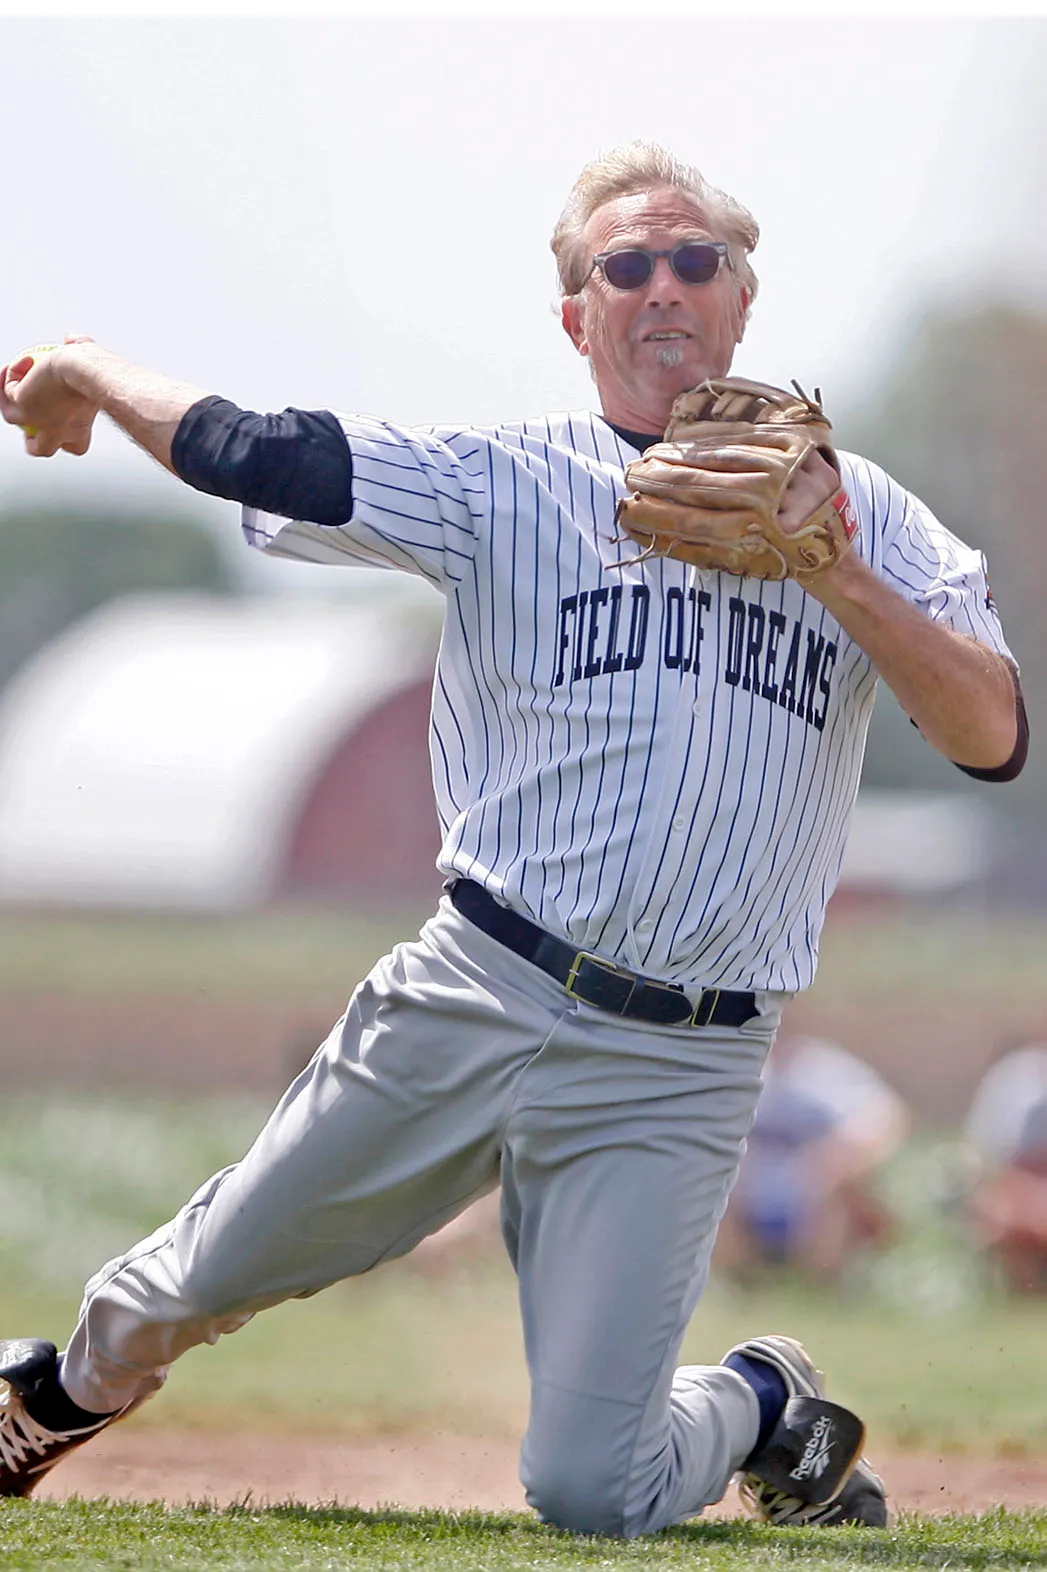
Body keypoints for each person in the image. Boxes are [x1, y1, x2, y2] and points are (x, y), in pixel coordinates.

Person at [0, 142, 1026, 1534]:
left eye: (692, 261)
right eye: (624, 264)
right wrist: (89, 370)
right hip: (481, 988)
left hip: (681, 1053)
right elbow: (261, 451)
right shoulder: (506, 487)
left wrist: (830, 566)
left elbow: (990, 735)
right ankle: (58, 1393)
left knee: (592, 1490)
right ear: (575, 313)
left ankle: (759, 1405)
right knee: (201, 1279)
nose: (661, 286)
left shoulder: (868, 516)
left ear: (738, 297)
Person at [714, 1036, 909, 1283]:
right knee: (715, 1179)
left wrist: (834, 1160)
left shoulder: (828, 1073)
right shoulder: (736, 1069)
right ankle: (740, 1284)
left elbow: (887, 1120)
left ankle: (817, 1287)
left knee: (836, 1187)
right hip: (747, 1188)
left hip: (816, 1190)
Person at [963, 1039, 1047, 1292]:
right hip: (1019, 1187)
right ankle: (1026, 1293)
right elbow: (990, 1161)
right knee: (1003, 1213)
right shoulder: (1018, 1079)